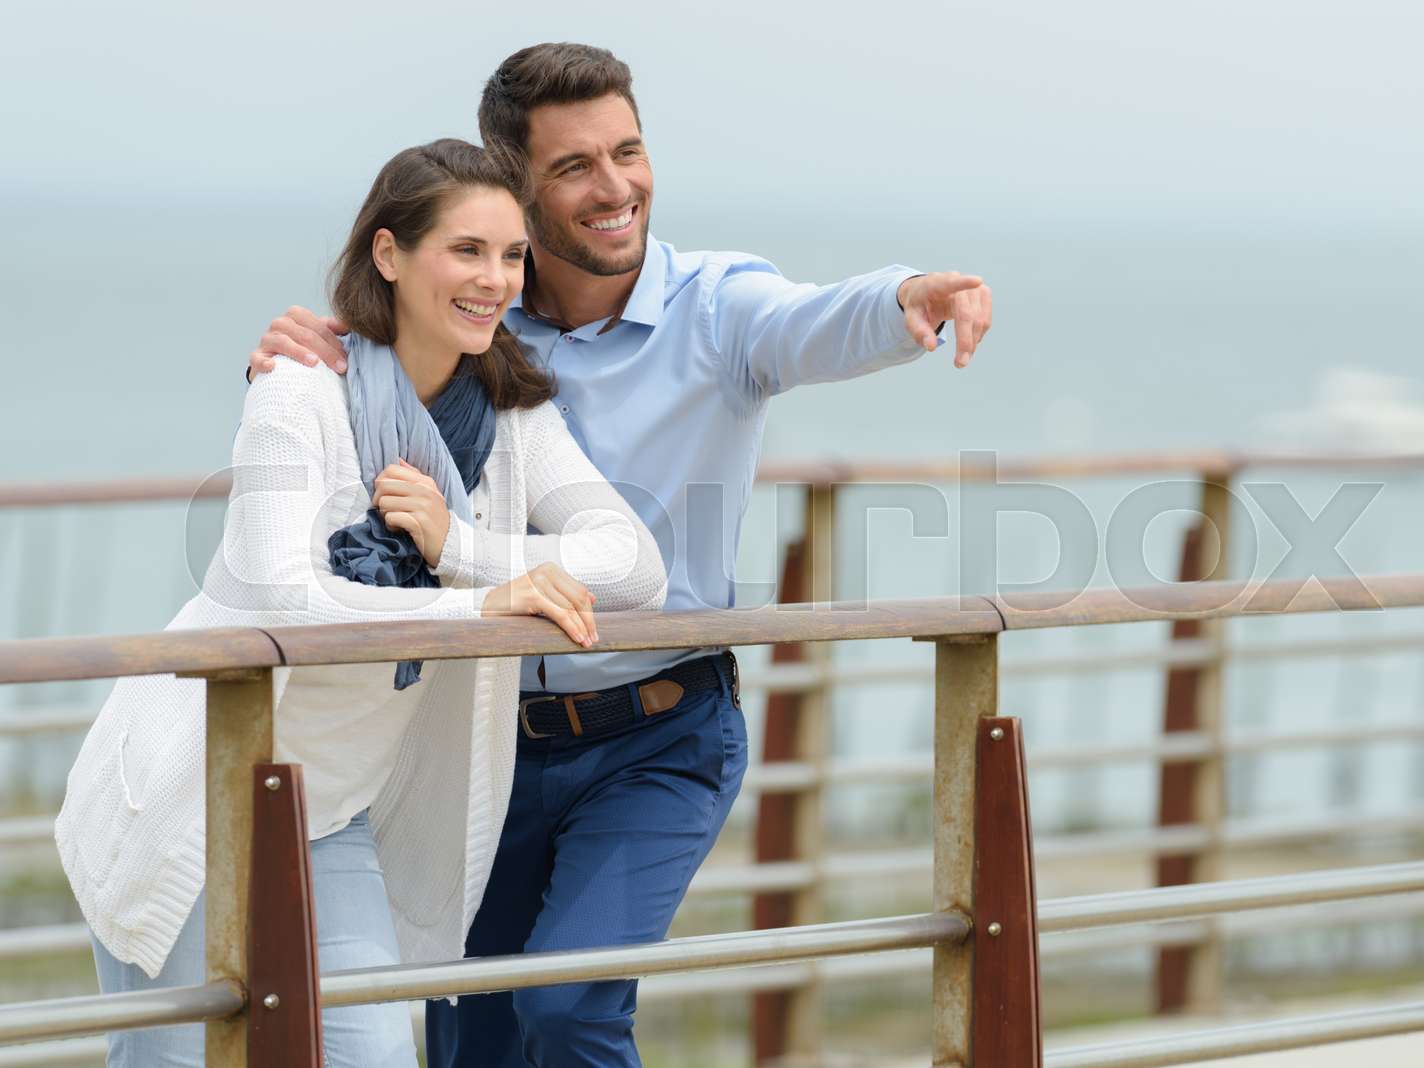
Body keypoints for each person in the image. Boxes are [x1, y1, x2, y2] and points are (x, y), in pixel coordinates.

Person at [248, 42, 995, 1068]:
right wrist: (294, 355)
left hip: (657, 734)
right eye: (573, 168)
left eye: (628, 152)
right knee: (475, 1035)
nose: (615, 189)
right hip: (486, 743)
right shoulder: (478, 325)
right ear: (514, 192)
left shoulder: (717, 308)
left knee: (569, 1011)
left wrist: (902, 299)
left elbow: (810, 318)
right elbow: (360, 392)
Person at [58, 137, 666, 1067]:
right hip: (193, 793)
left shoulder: (511, 416)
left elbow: (632, 565)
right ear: (389, 255)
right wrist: (484, 607)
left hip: (326, 811)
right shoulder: (299, 389)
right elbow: (281, 597)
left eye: (511, 256)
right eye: (466, 250)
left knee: (375, 1054)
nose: (495, 280)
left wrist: (457, 546)